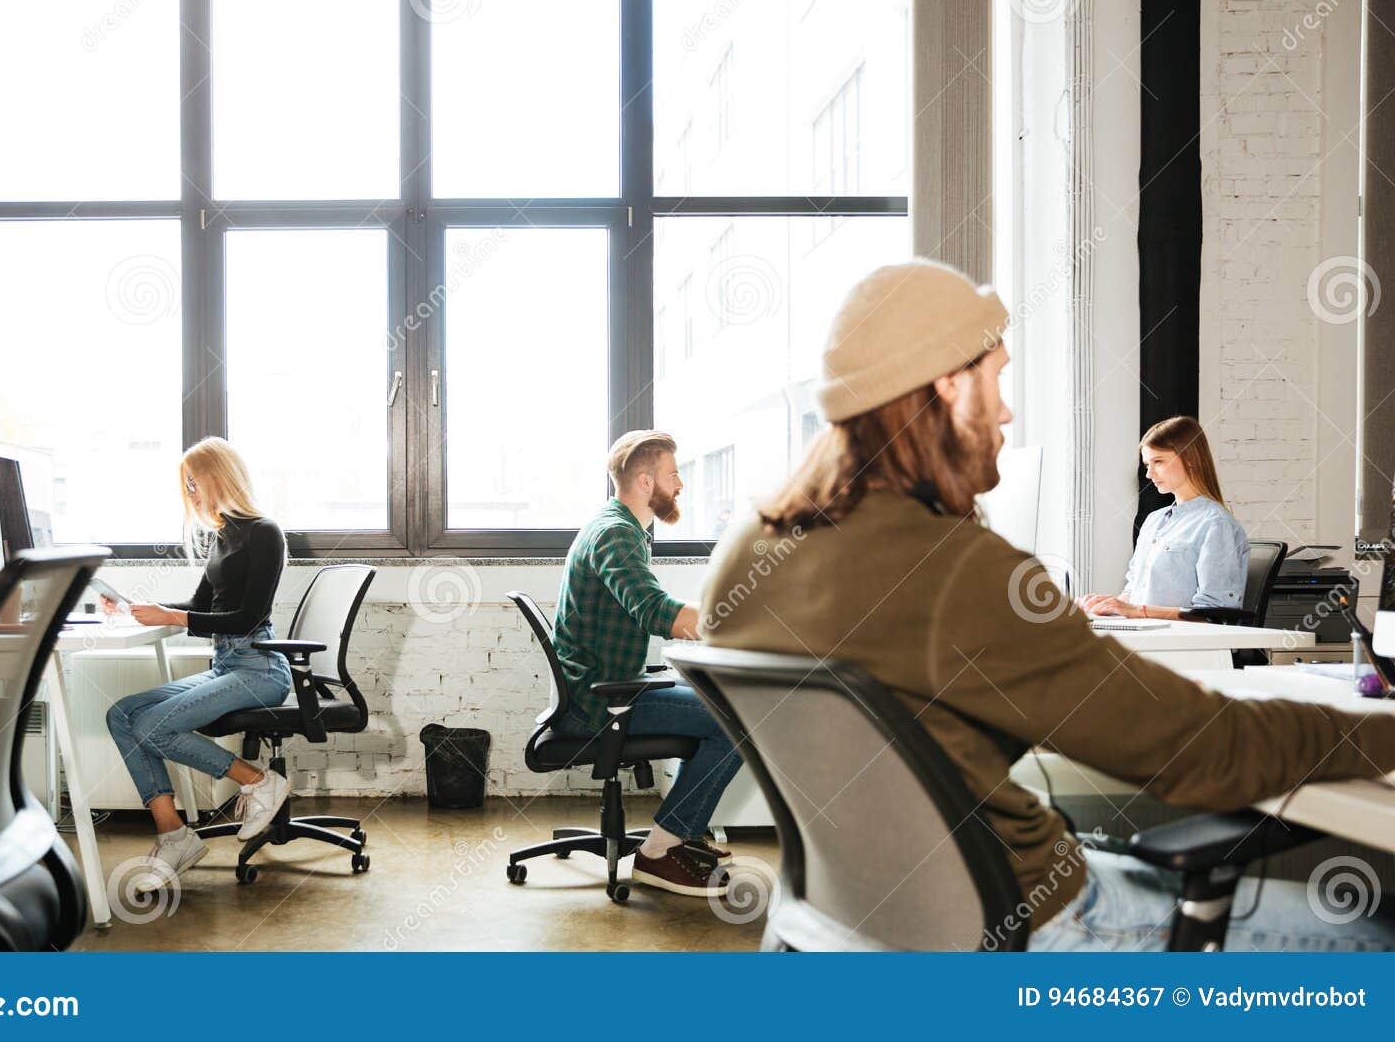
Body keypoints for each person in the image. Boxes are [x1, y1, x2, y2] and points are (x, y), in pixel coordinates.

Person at [699, 258, 1395, 950]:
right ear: (947, 384)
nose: (1004, 408)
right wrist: (1378, 736)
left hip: (845, 921)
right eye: (995, 377)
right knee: (1367, 933)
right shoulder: (954, 568)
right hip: (1029, 916)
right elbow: (1193, 747)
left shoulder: (743, 554)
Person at [551, 430, 742, 898]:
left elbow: (655, 608)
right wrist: (746, 621)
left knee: (719, 705)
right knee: (741, 721)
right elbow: (656, 611)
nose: (680, 486)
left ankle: (681, 835)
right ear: (644, 481)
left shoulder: (618, 526)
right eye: (673, 476)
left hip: (610, 689)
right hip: (601, 705)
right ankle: (659, 851)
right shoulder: (616, 534)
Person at [103, 437, 292, 893]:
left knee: (152, 727)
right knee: (122, 714)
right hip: (226, 664)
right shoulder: (222, 536)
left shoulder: (265, 532)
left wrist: (175, 617)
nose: (191, 493)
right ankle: (175, 836)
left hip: (258, 667)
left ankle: (259, 782)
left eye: (195, 482)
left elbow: (247, 616)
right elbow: (198, 606)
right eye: (185, 485)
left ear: (219, 476)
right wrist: (141, 607)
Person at [1078, 415, 1249, 619]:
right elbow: (1134, 590)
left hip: (1183, 644)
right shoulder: (1154, 520)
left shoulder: (1215, 523)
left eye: (1157, 462)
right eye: (1147, 465)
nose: (1149, 475)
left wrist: (1135, 611)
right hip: (1147, 636)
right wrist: (1105, 604)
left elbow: (1214, 612)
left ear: (1190, 459)